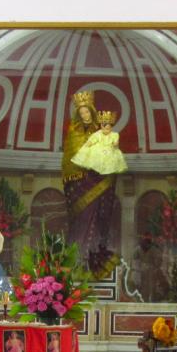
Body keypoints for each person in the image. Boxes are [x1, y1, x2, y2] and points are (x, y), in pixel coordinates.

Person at [62, 90, 119, 261]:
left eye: (87, 111)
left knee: (98, 218)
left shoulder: (101, 130)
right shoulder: (74, 133)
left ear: (92, 111)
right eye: (81, 113)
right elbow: (70, 161)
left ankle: (95, 255)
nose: (85, 115)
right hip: (80, 185)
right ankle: (78, 257)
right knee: (82, 218)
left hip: (99, 181)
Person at [70, 110, 128, 176]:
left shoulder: (114, 134)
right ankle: (96, 170)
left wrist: (115, 144)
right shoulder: (98, 133)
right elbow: (93, 139)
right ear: (101, 127)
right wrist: (89, 143)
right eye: (104, 129)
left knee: (111, 158)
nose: (106, 131)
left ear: (111, 128)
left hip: (110, 148)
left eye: (108, 129)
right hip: (98, 149)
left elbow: (116, 141)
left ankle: (107, 171)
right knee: (95, 154)